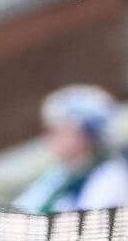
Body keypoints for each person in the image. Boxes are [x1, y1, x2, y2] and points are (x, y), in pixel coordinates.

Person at [14, 85, 128, 213]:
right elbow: (22, 211)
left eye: (55, 130)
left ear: (86, 135)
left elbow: (87, 227)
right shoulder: (60, 173)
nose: (47, 137)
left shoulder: (110, 176)